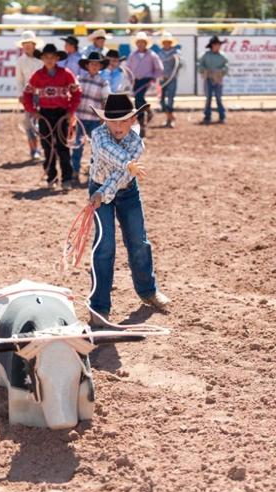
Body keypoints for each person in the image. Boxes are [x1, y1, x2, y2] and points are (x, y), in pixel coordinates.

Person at [88, 93, 170, 325]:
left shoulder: (136, 141)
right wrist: (125, 168)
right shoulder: (98, 135)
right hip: (99, 188)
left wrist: (104, 193)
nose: (118, 125)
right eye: (113, 120)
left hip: (121, 190)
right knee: (104, 246)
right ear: (105, 121)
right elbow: (109, 153)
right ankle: (99, 306)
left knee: (138, 241)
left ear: (133, 120)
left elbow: (120, 174)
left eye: (124, 120)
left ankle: (148, 291)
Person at [23, 44, 82, 190]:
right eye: (46, 57)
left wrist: (71, 111)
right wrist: (33, 111)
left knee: (63, 146)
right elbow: (27, 94)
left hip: (62, 113)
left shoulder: (66, 73)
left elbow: (77, 92)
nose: (49, 60)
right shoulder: (37, 75)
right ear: (42, 58)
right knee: (47, 147)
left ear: (57, 59)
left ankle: (66, 179)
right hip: (44, 114)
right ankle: (51, 177)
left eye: (52, 57)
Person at [72, 52, 110, 182]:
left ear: (100, 66)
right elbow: (74, 95)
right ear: (87, 65)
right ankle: (74, 172)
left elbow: (106, 100)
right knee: (78, 146)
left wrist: (103, 116)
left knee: (96, 149)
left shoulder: (103, 83)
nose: (94, 66)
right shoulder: (80, 79)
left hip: (95, 120)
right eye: (92, 64)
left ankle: (93, 174)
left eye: (97, 64)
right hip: (80, 118)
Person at [126, 31, 163, 137]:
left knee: (138, 97)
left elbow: (159, 68)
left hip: (146, 80)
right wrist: (130, 79)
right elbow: (128, 68)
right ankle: (145, 117)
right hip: (135, 80)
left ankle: (144, 120)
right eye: (139, 42)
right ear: (136, 43)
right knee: (138, 101)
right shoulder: (133, 55)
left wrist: (153, 78)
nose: (140, 44)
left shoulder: (152, 55)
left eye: (142, 42)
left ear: (146, 43)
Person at [16, 30, 44, 161]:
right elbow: (19, 80)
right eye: (24, 43)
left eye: (29, 43)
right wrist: (20, 95)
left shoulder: (42, 59)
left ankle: (48, 149)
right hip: (29, 96)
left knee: (46, 122)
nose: (27, 46)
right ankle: (34, 150)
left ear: (34, 44)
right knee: (29, 123)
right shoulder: (20, 61)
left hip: (44, 95)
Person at [198, 35, 228, 125]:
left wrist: (220, 72)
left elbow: (226, 66)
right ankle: (207, 116)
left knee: (218, 98)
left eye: (219, 45)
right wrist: (205, 71)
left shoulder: (222, 56)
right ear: (212, 46)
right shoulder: (205, 55)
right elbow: (200, 65)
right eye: (216, 44)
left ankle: (222, 116)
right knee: (208, 98)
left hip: (218, 80)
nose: (218, 46)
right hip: (208, 79)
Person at [157, 32, 182, 128]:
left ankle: (169, 119)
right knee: (162, 99)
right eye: (165, 42)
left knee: (170, 98)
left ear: (171, 43)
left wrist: (178, 59)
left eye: (168, 42)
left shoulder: (176, 53)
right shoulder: (159, 53)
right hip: (162, 79)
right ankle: (170, 116)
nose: (166, 44)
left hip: (172, 78)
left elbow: (180, 65)